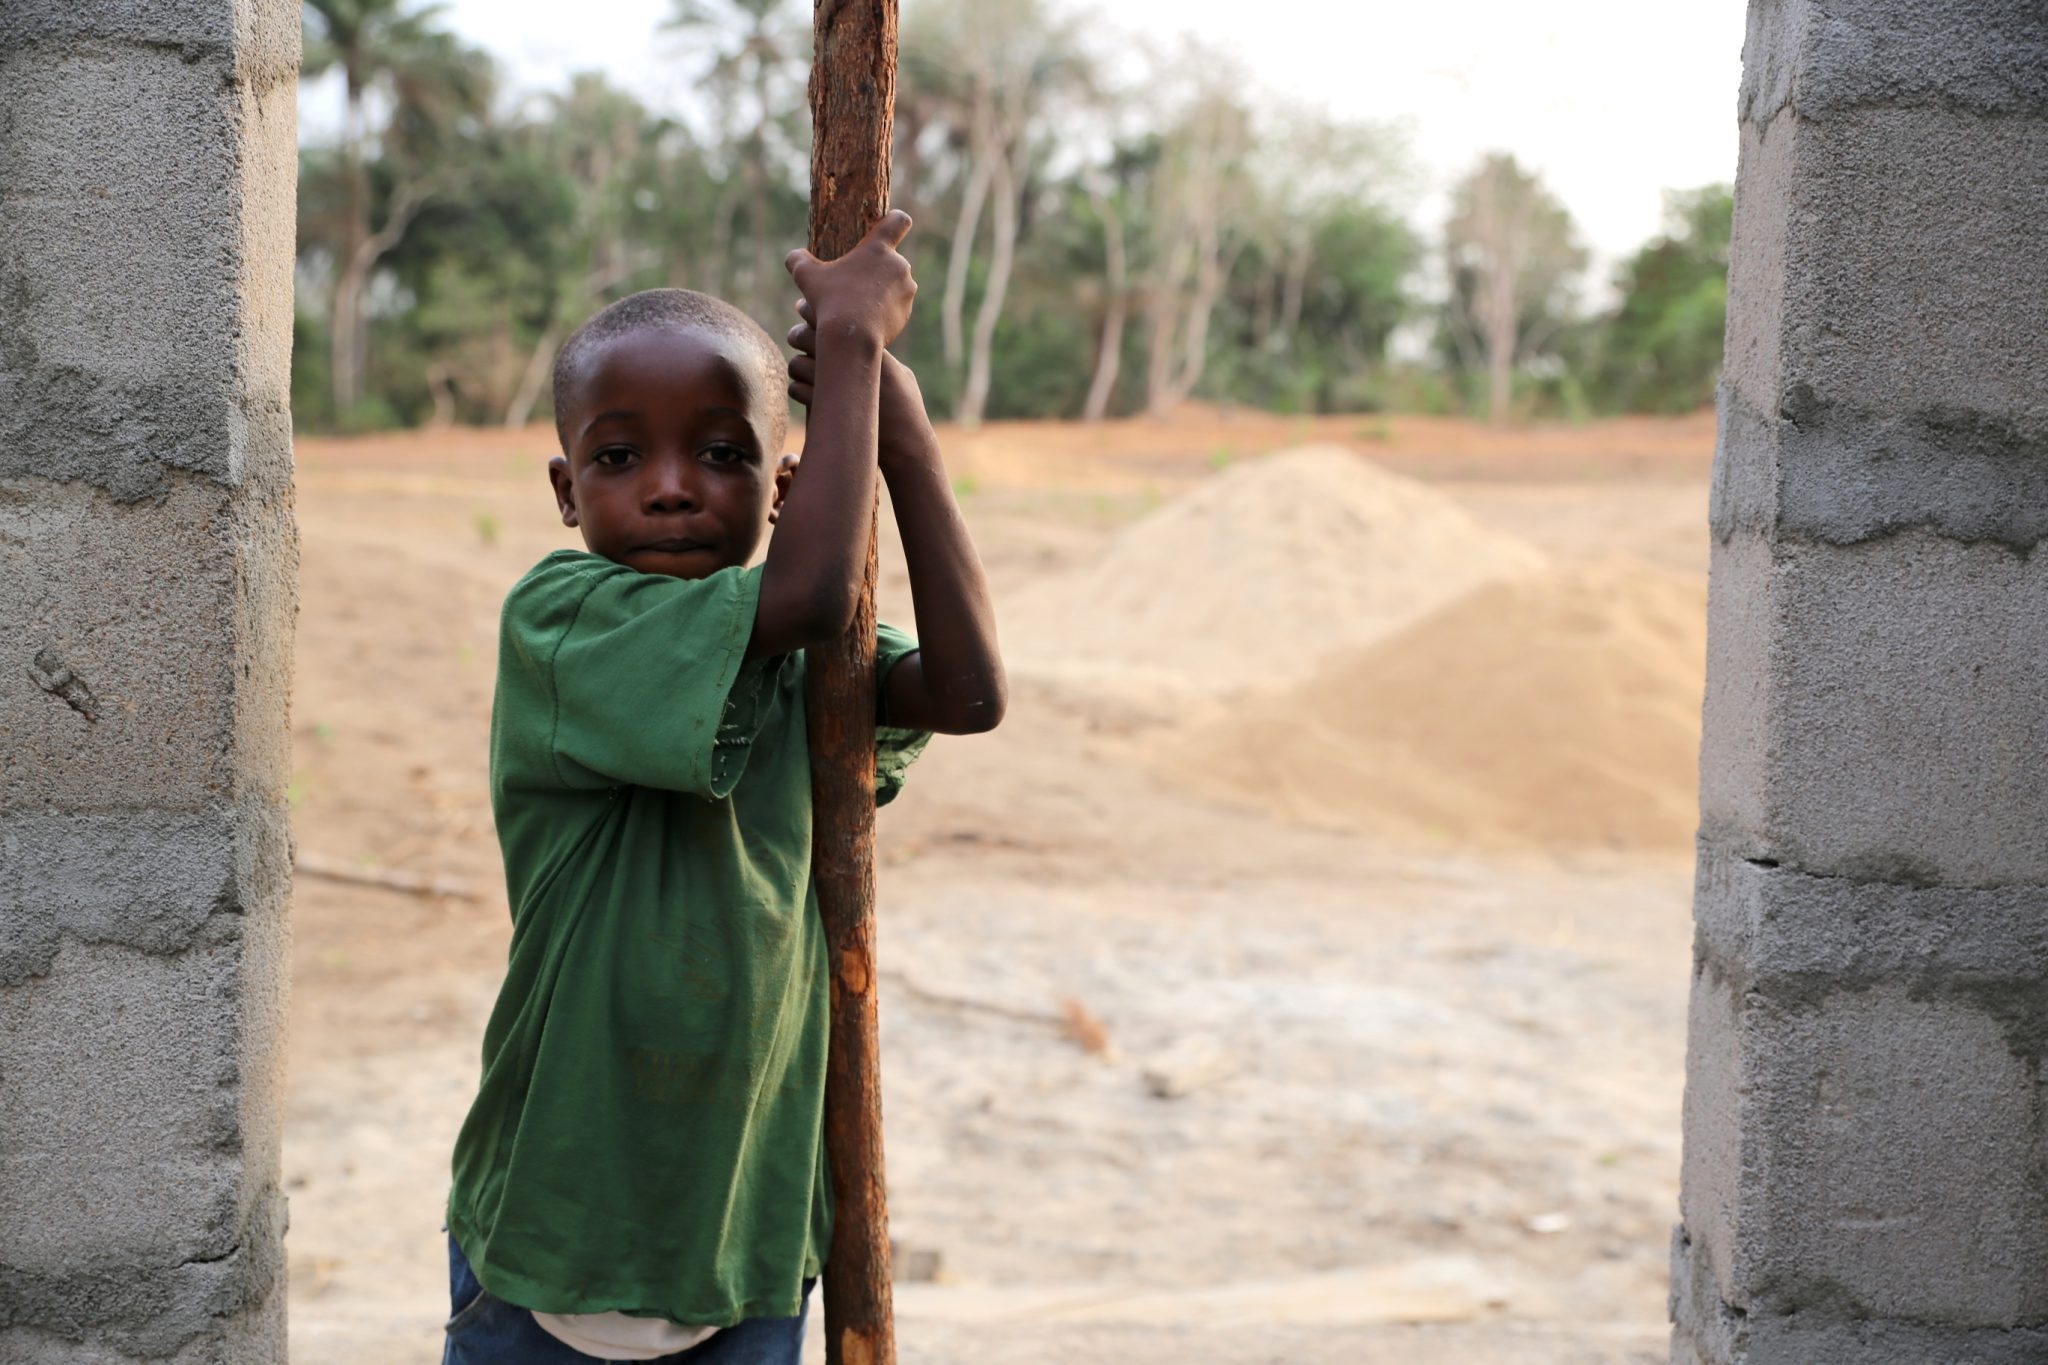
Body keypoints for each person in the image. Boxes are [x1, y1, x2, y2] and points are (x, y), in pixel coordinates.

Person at [441, 210, 1005, 1364]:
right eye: (618, 458)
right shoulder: (563, 621)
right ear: (564, 490)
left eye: (721, 453)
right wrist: (846, 354)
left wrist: (902, 443)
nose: (670, 489)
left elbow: (968, 692)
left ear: (786, 485)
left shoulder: (809, 668)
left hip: (747, 1234)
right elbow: (803, 594)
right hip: (554, 1217)